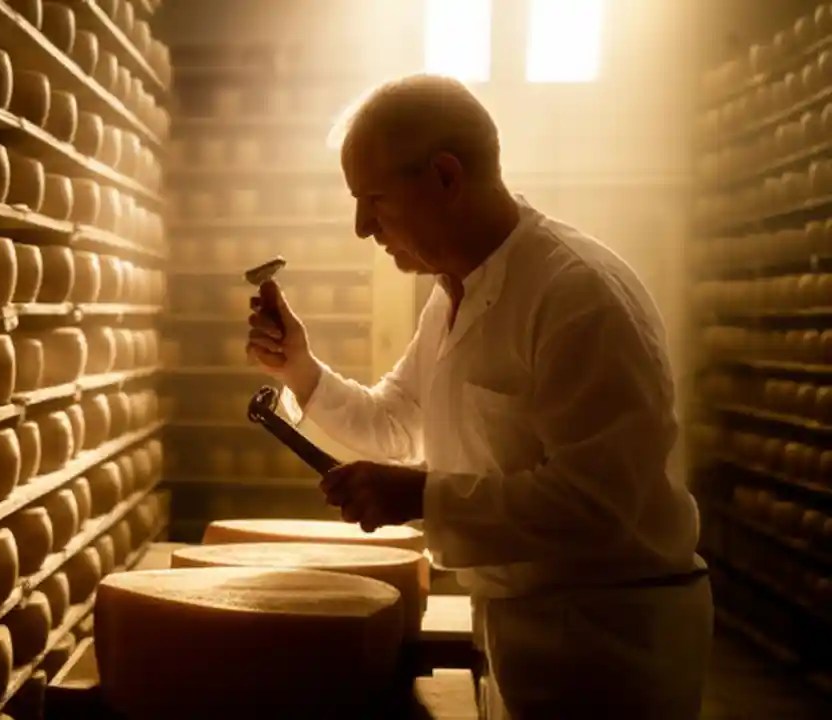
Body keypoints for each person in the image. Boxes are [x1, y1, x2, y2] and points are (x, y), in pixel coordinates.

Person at [245, 74, 712, 719]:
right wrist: (301, 368)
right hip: (521, 625)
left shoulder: (577, 295)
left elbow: (598, 502)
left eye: (373, 199)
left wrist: (419, 495)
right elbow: (398, 419)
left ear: (445, 176)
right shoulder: (452, 295)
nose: (360, 227)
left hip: (607, 645)